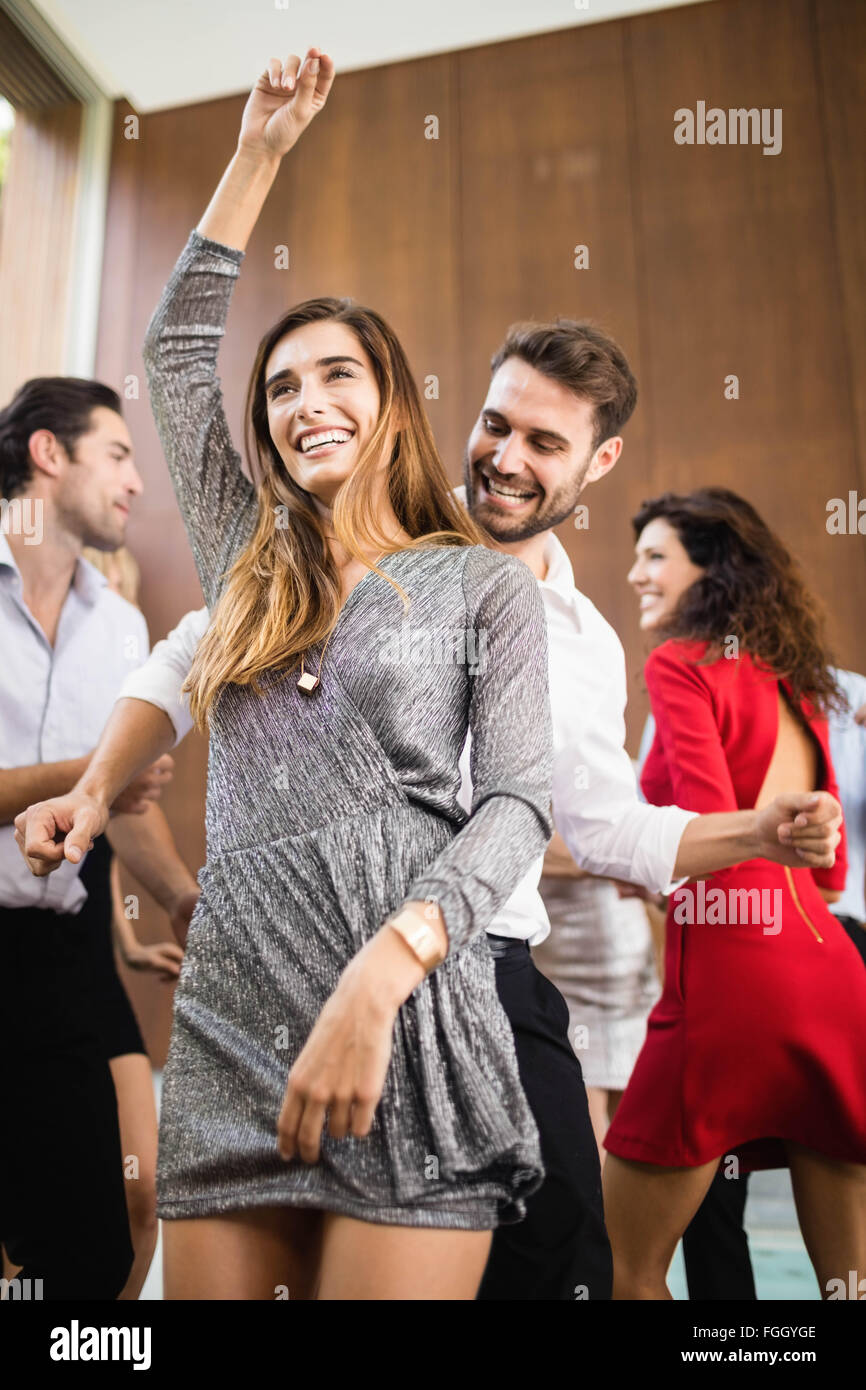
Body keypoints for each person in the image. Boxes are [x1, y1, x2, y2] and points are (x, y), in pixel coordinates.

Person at [18, 312, 845, 1303]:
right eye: (495, 425)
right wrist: (95, 787)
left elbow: (580, 820)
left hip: (478, 962)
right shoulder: (351, 535)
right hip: (281, 975)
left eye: (544, 443)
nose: (505, 458)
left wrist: (757, 834)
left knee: (567, 1254)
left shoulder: (569, 633)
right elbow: (195, 642)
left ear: (597, 457)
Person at [603, 486, 866, 1300]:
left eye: (656, 557)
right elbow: (827, 873)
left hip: (727, 975)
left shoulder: (679, 664)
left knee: (629, 1268)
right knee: (846, 1286)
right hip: (828, 965)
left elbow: (713, 828)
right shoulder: (794, 677)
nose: (636, 572)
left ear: (709, 569)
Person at [0, 376, 196, 1299]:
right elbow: (98, 783)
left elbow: (121, 803)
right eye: (117, 455)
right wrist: (93, 771)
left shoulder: (122, 627)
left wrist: (188, 901)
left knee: (108, 1230)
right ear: (49, 452)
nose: (134, 483)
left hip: (66, 953)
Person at [79, 545, 186, 1300]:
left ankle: (108, 1344)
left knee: (143, 1185)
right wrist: (99, 781)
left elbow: (112, 827)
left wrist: (138, 927)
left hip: (82, 953)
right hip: (20, 943)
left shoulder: (123, 680)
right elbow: (90, 803)